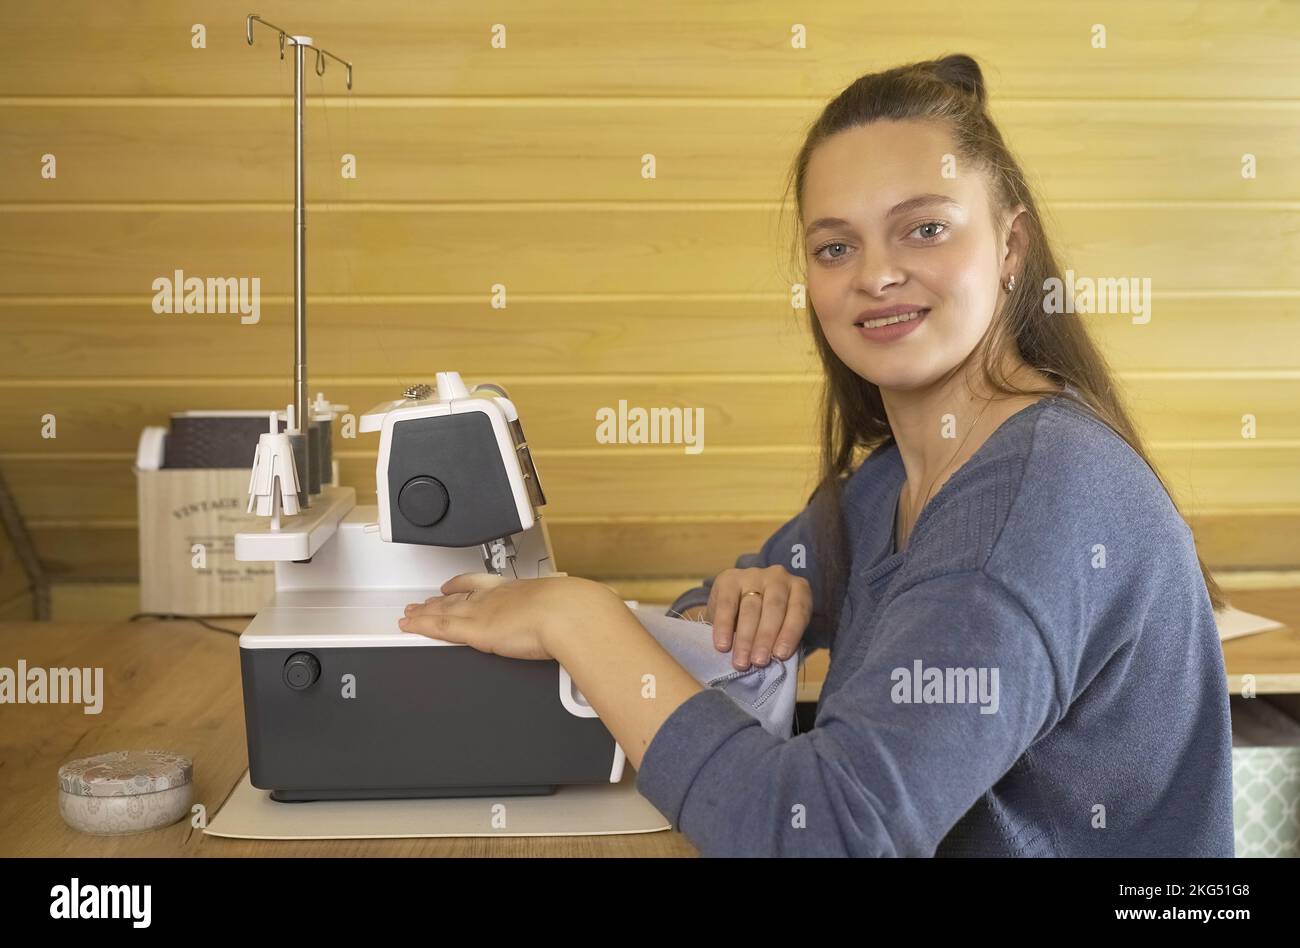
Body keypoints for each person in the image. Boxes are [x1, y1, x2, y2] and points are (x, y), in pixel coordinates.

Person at [398, 54, 1236, 857]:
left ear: (1012, 249)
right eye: (836, 247)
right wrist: (742, 597)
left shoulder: (1031, 505)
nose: (877, 275)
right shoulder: (888, 488)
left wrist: (576, 618)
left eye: (925, 229)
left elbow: (819, 834)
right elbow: (718, 606)